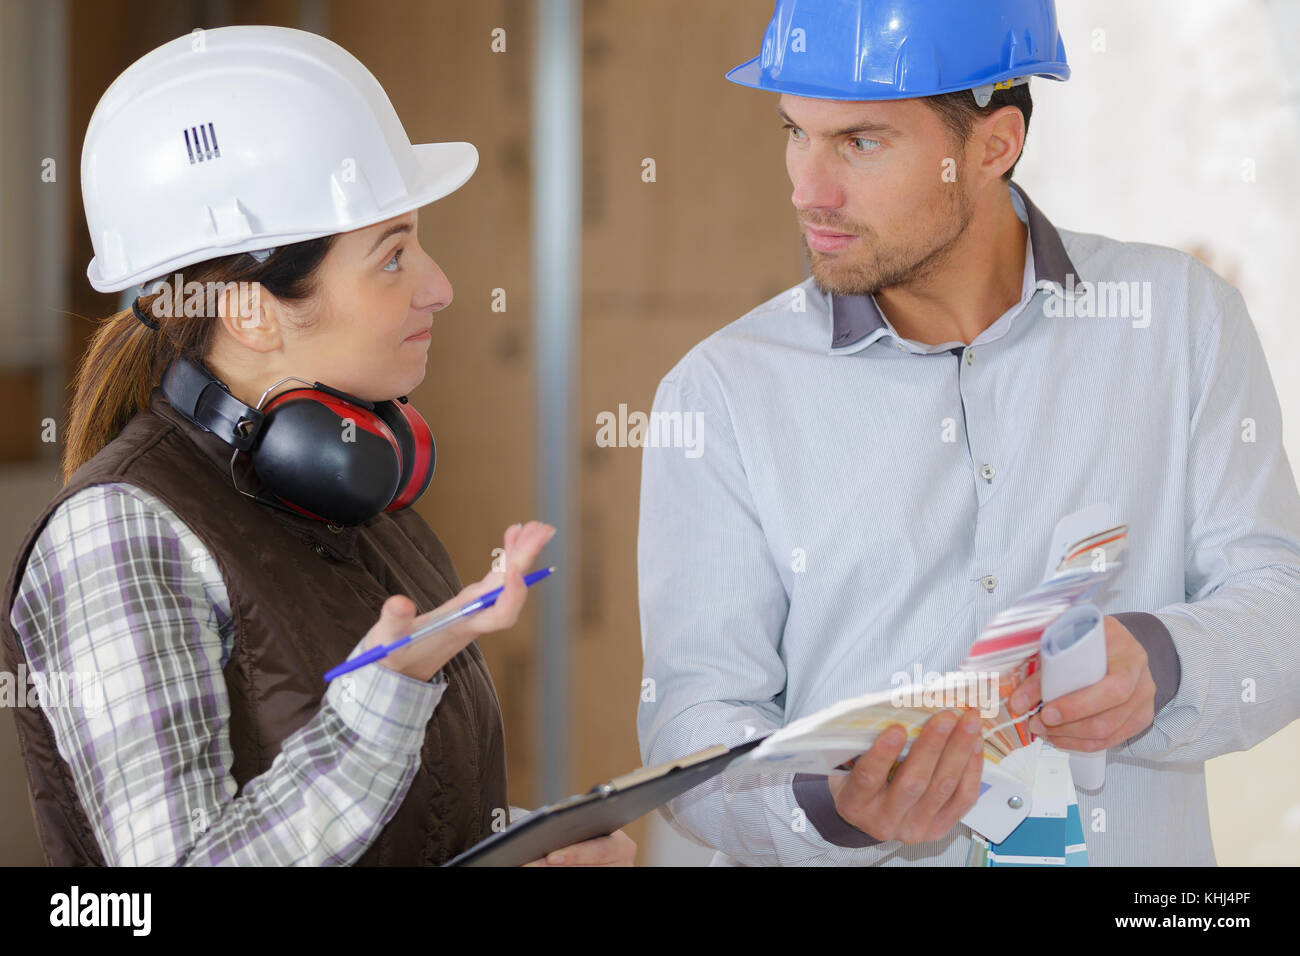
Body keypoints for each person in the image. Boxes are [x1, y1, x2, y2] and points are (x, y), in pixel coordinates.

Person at [636, 0, 1300, 865]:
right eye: (796, 132)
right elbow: (691, 723)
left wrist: (1163, 662)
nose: (808, 188)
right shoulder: (720, 392)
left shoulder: (1179, 321)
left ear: (994, 146)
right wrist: (833, 809)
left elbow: (1281, 603)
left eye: (860, 142)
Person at [0, 24, 633, 867]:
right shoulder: (117, 535)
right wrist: (387, 698)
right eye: (393, 256)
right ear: (251, 309)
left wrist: (520, 848)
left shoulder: (348, 493)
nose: (439, 287)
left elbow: (384, 822)